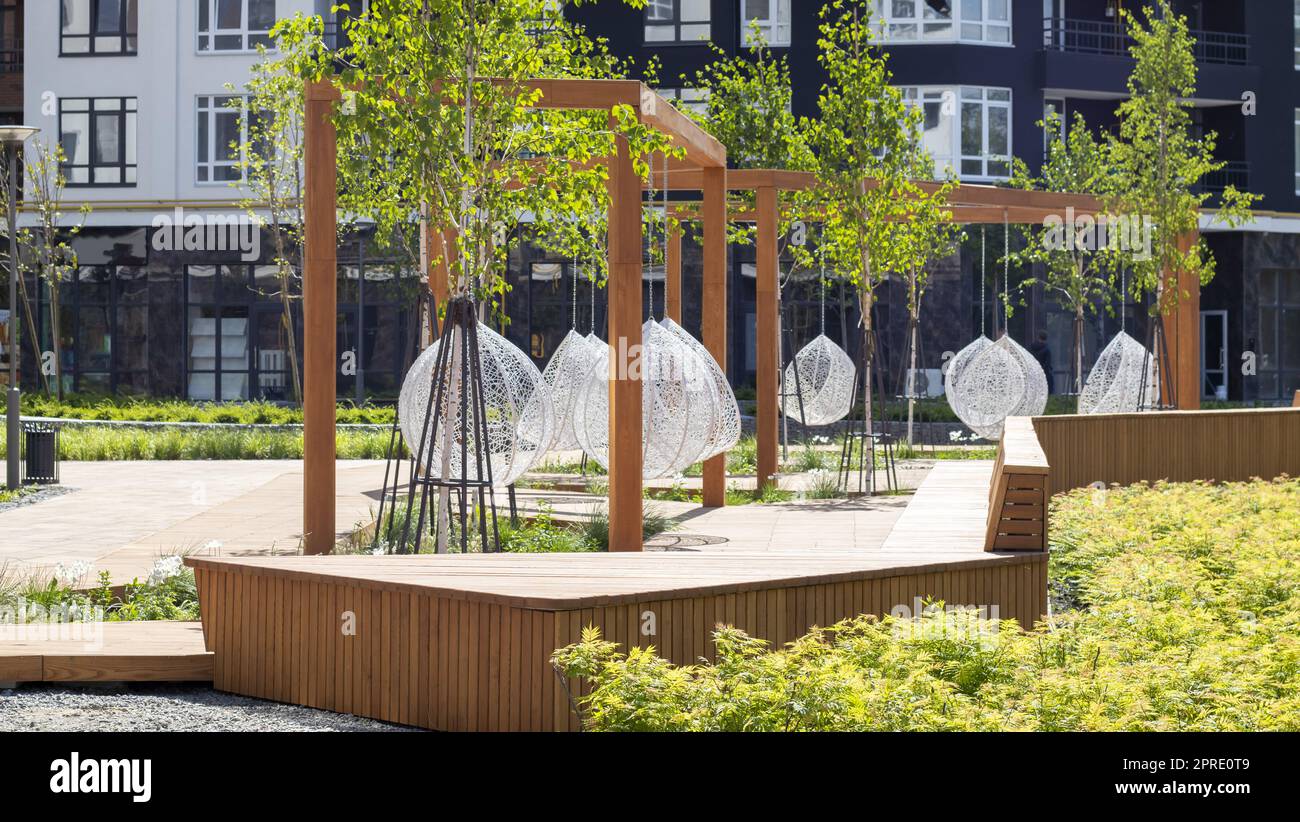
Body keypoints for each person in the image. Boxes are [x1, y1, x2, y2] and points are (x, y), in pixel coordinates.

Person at [1029, 330, 1055, 394]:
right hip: (1044, 374)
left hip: (1033, 372)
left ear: (1038, 337)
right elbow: (1047, 363)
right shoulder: (1047, 350)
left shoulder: (1031, 347)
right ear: (1046, 338)